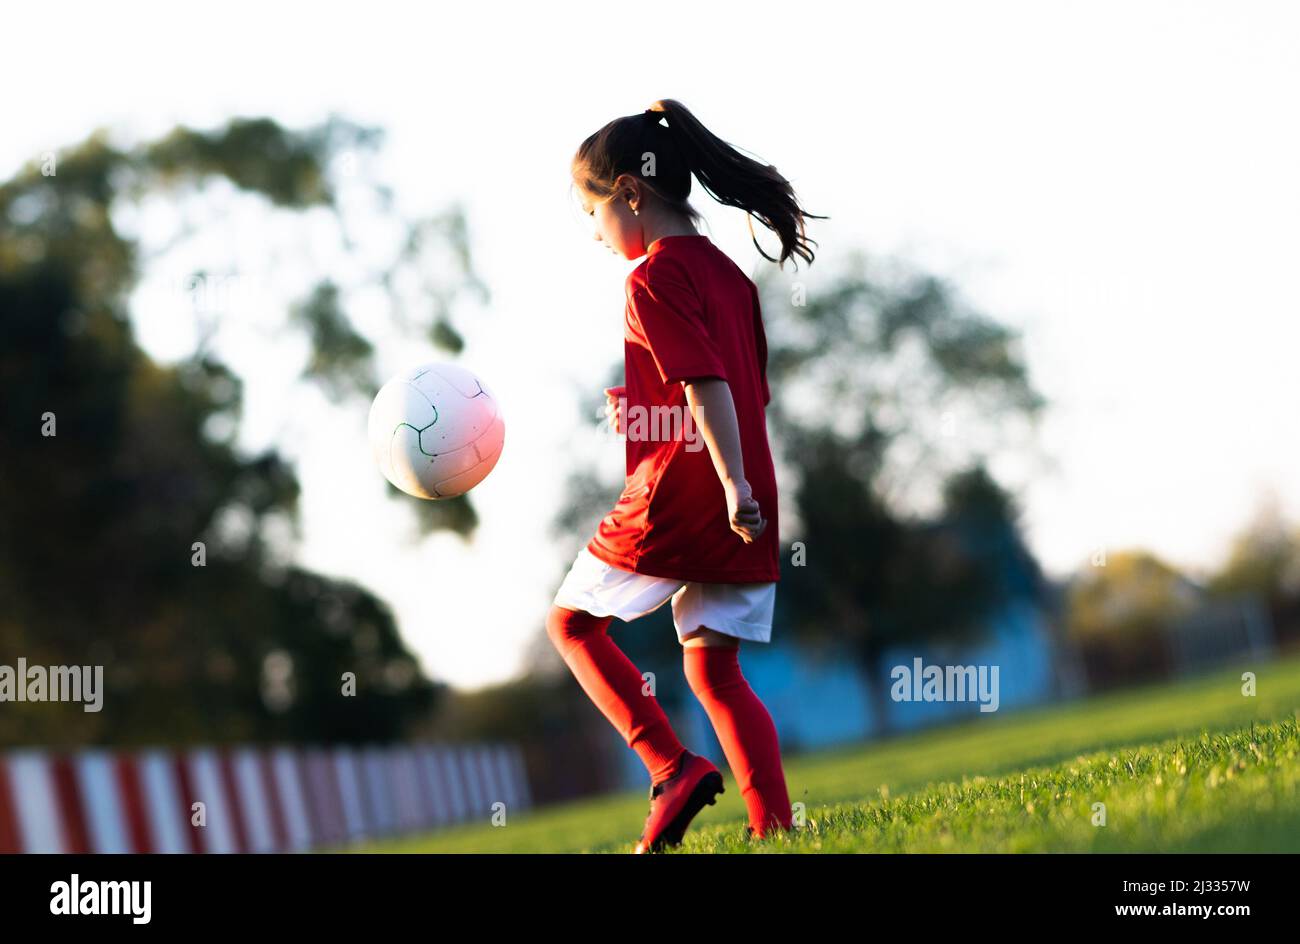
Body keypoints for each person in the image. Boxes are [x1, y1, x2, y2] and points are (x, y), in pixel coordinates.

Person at [548, 99, 825, 853]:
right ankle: (775, 830)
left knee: (570, 624)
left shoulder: (649, 280)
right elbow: (738, 391)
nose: (597, 233)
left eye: (593, 210)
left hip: (690, 494)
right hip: (749, 493)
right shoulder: (732, 278)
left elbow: (707, 385)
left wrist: (724, 481)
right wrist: (644, 415)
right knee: (715, 672)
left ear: (631, 195)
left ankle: (670, 768)